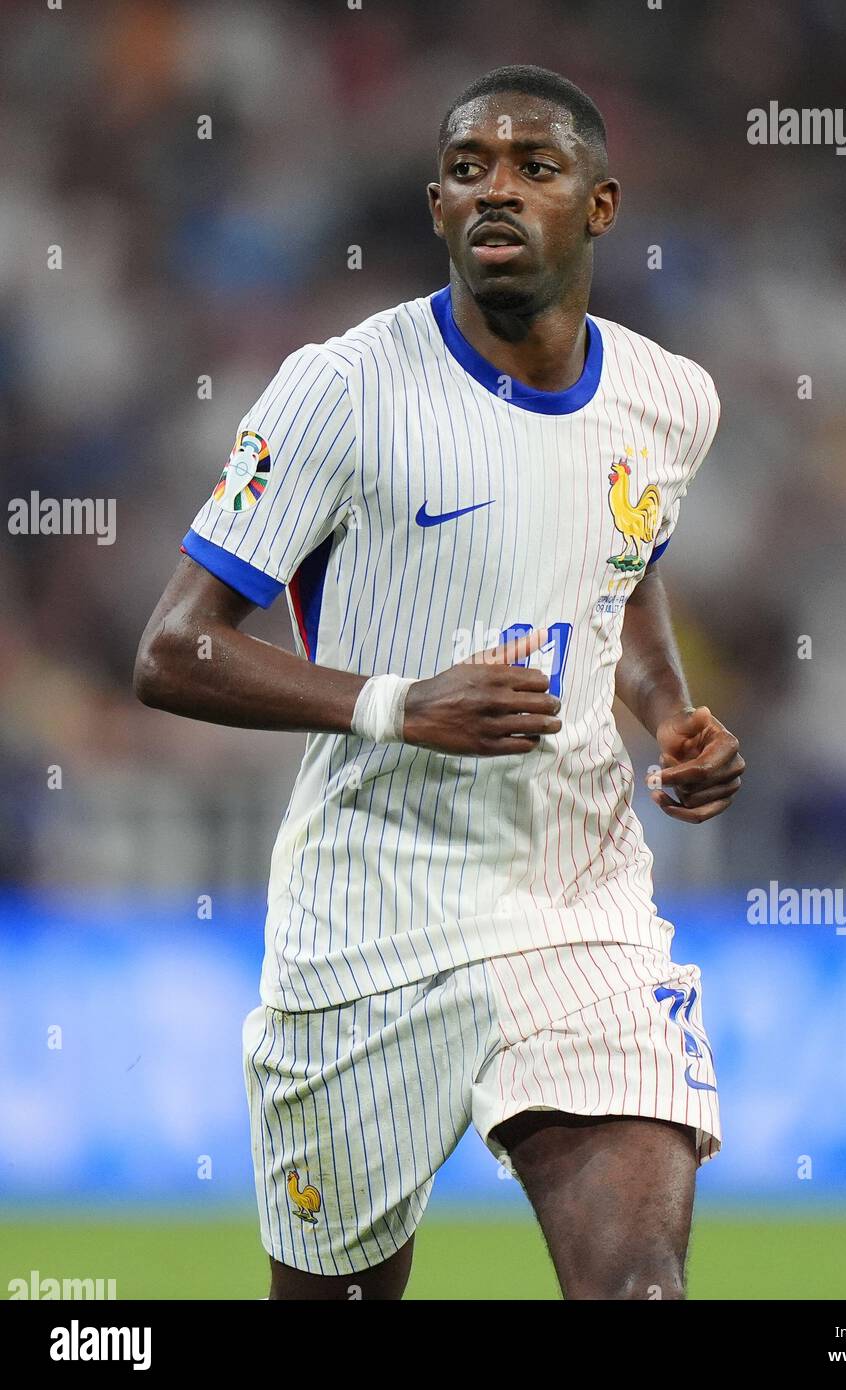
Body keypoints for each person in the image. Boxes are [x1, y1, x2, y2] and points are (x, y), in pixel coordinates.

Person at [135, 64, 744, 1300]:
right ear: (435, 208)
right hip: (367, 921)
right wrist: (396, 704)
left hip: (577, 905)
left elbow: (618, 572)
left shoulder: (669, 400)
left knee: (638, 1290)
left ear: (602, 205)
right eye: (469, 169)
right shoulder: (339, 390)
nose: (497, 190)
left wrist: (670, 714)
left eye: (534, 166)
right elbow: (171, 649)